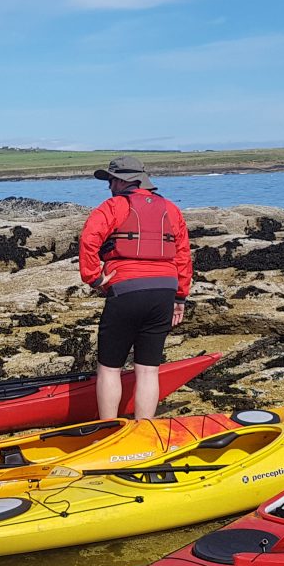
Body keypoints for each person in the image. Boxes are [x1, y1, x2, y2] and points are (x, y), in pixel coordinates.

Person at [78, 155, 193, 420]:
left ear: (122, 181)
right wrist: (180, 296)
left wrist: (93, 277)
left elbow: (89, 239)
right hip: (164, 292)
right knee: (148, 370)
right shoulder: (171, 209)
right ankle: (145, 429)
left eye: (111, 180)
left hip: (126, 291)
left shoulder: (113, 206)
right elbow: (183, 254)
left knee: (109, 369)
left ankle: (108, 429)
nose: (108, 186)